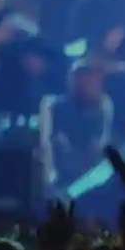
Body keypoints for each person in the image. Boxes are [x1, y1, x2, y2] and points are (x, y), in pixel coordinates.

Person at [38, 60, 113, 191]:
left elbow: (103, 141)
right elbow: (47, 144)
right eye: (83, 78)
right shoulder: (54, 106)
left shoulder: (104, 105)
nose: (90, 83)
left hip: (92, 177)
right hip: (61, 177)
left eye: (94, 79)